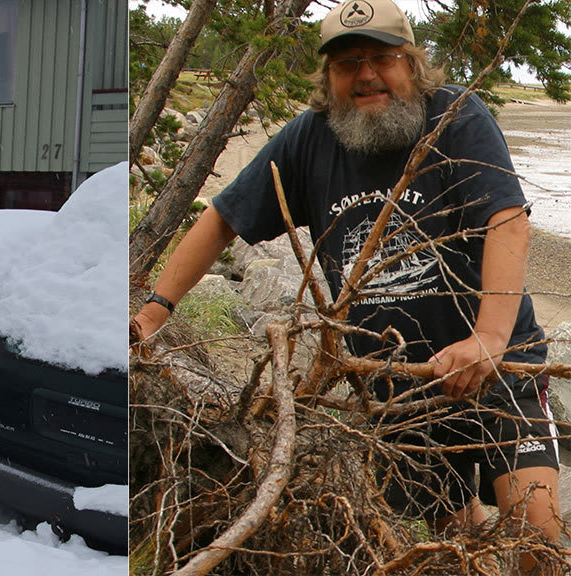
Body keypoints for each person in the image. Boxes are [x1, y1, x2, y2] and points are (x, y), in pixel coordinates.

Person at [133, 0, 562, 563]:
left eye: (381, 59)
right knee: (453, 533)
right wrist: (154, 311)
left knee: (537, 539)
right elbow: (221, 219)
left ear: (411, 62)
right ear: (328, 77)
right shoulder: (308, 139)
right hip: (392, 386)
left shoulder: (457, 115)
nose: (365, 75)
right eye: (347, 62)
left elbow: (507, 220)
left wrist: (489, 336)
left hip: (499, 367)